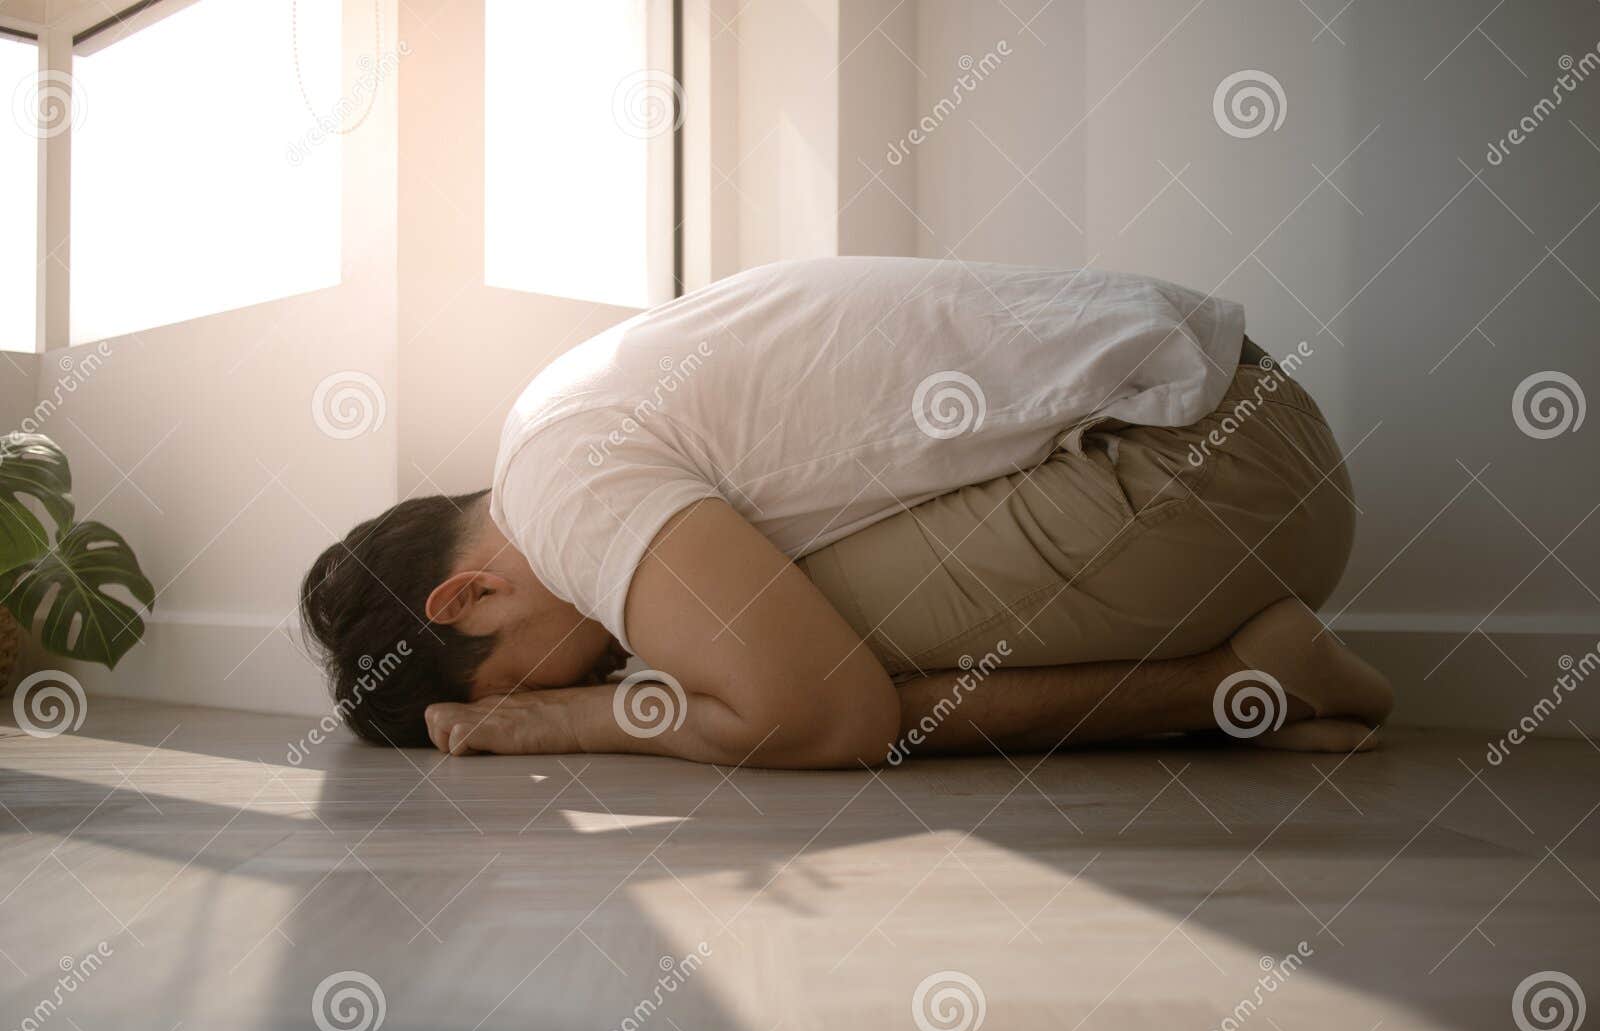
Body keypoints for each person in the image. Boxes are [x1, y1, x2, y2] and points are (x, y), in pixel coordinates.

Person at [300, 257, 1392, 768]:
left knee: (770, 683)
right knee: (741, 654)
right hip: (1231, 438)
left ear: (470, 591)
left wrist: (581, 722)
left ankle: (1237, 687)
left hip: (1206, 472)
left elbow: (832, 719)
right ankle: (1238, 683)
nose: (592, 673)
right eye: (575, 686)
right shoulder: (566, 408)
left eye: (533, 673)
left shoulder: (556, 481)